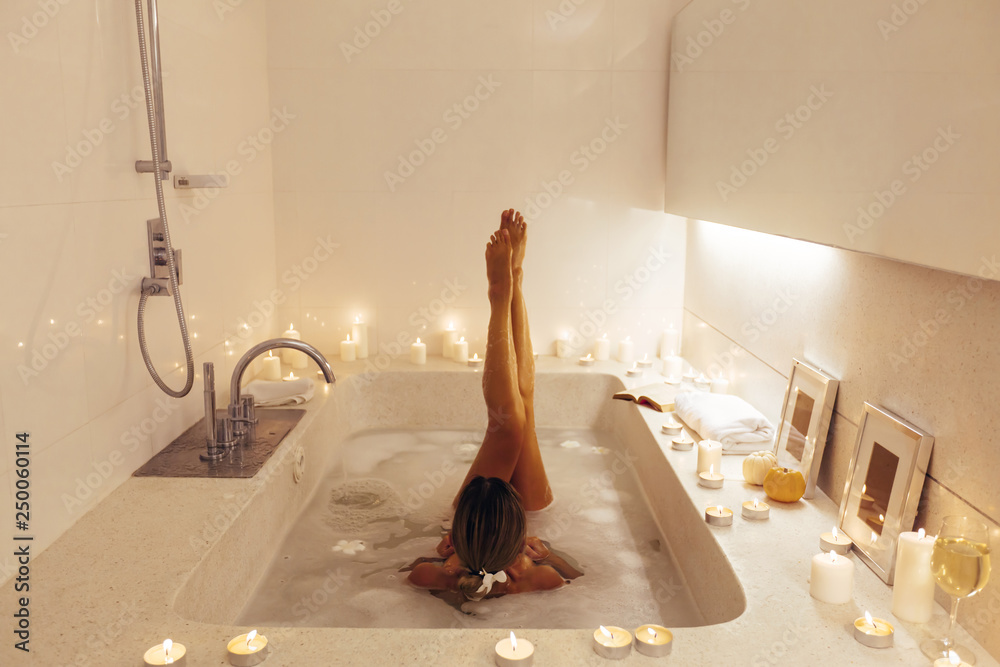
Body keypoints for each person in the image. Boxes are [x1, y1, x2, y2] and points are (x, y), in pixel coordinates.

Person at [405, 209, 581, 601]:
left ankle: (502, 295)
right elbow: (582, 578)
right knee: (519, 418)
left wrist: (439, 556)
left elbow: (406, 572)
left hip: (482, 531)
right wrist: (551, 555)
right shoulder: (539, 577)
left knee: (514, 422)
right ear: (523, 542)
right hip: (489, 531)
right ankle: (512, 284)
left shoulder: (432, 575)